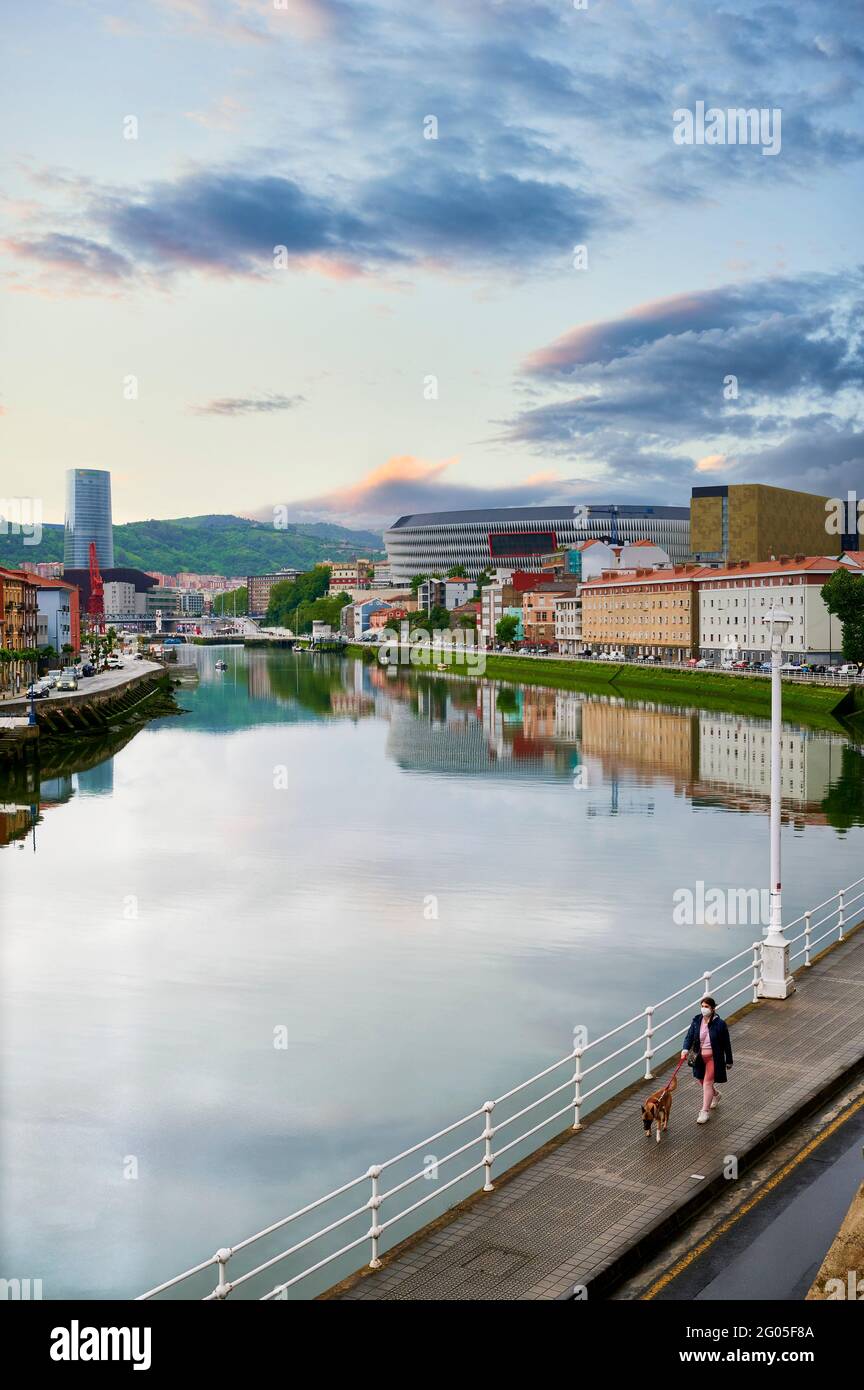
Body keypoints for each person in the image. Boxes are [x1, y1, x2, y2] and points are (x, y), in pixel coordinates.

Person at [680, 995, 733, 1124]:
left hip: (713, 1058)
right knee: (700, 1080)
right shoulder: (697, 1021)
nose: (704, 1009)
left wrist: (729, 1060)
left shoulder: (720, 1024)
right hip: (698, 1057)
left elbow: (727, 1043)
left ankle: (704, 1112)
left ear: (713, 1008)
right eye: (702, 1006)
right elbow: (689, 1036)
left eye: (707, 1007)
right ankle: (716, 1095)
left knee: (707, 1083)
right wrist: (685, 1049)